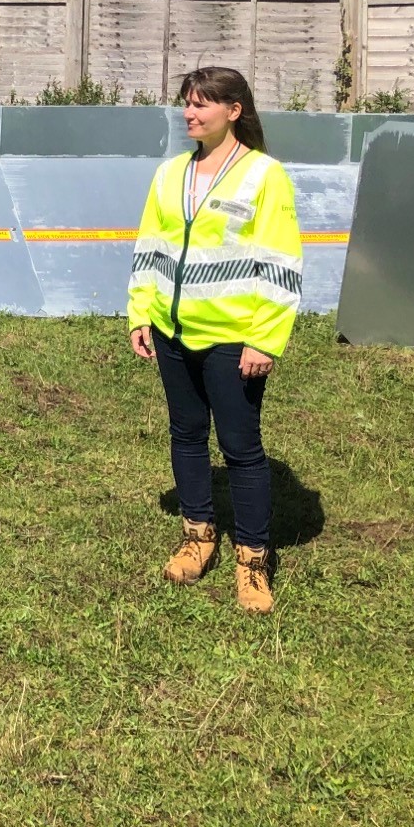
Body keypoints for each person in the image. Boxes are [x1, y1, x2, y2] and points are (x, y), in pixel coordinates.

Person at [128, 66, 303, 615]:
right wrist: (140, 314)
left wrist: (264, 340)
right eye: (186, 103)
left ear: (234, 111)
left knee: (241, 449)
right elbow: (149, 247)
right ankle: (197, 535)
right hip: (173, 332)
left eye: (202, 104)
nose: (189, 113)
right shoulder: (170, 175)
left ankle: (253, 560)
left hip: (234, 338)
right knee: (185, 433)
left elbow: (282, 261)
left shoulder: (264, 175)